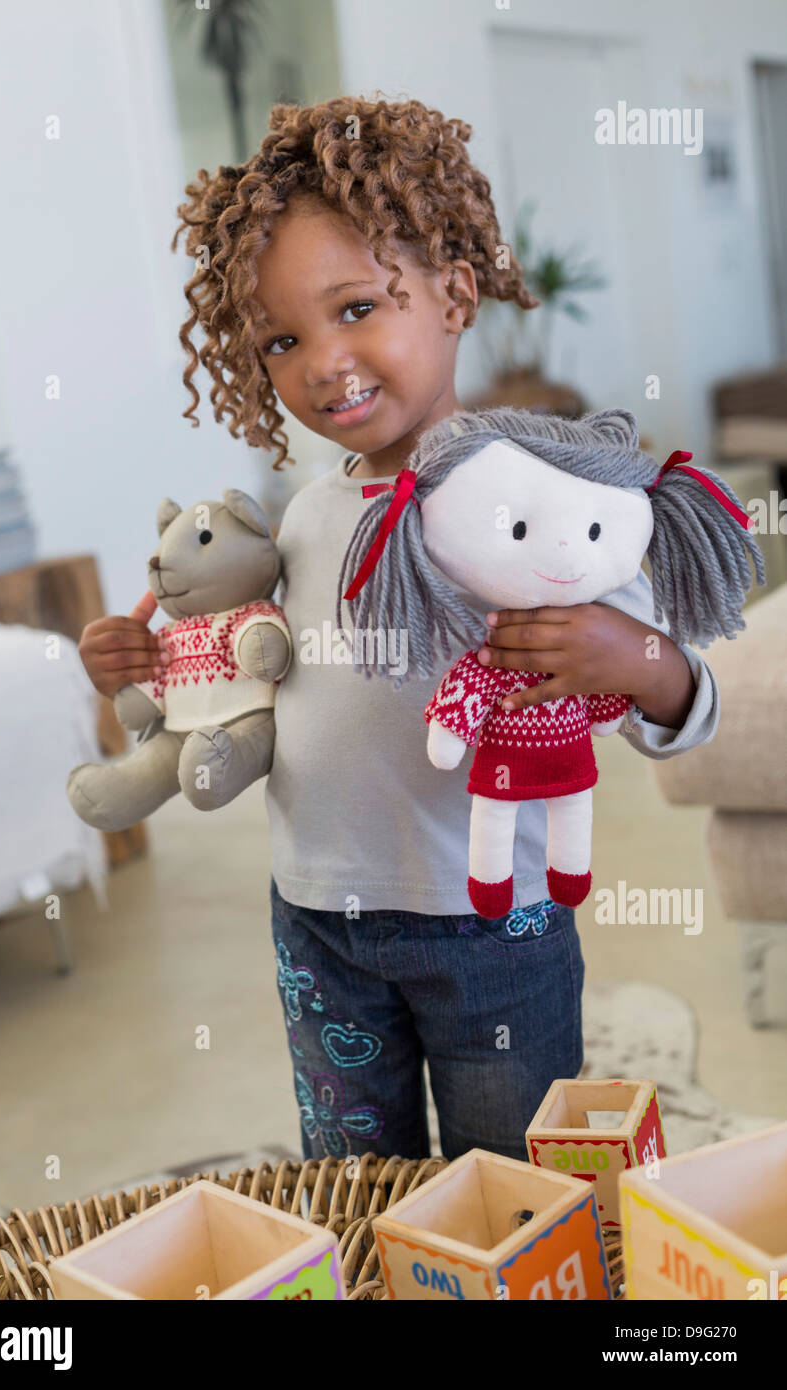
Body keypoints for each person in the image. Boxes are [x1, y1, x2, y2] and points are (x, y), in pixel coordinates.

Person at [78, 97, 719, 1164]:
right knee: (355, 1179)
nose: (322, 359)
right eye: (282, 336)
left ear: (454, 292)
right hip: (319, 916)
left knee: (509, 1184)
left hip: (492, 927)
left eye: (357, 307)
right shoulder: (307, 513)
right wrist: (148, 666)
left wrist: (628, 658)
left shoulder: (538, 503)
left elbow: (678, 706)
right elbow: (262, 679)